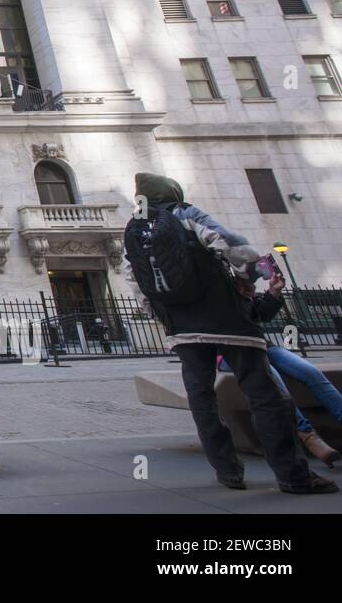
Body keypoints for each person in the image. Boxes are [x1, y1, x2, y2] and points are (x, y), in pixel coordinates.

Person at [129, 172, 335, 494]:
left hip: (182, 330)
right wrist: (250, 278)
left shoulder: (136, 231)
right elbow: (233, 245)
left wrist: (164, 316)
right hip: (228, 322)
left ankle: (228, 472)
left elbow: (136, 283)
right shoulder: (184, 214)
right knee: (265, 396)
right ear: (173, 191)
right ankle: (293, 475)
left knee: (202, 400)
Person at [218, 342, 342, 466]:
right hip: (230, 355)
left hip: (262, 345)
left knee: (312, 373)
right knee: (272, 377)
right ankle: (309, 436)